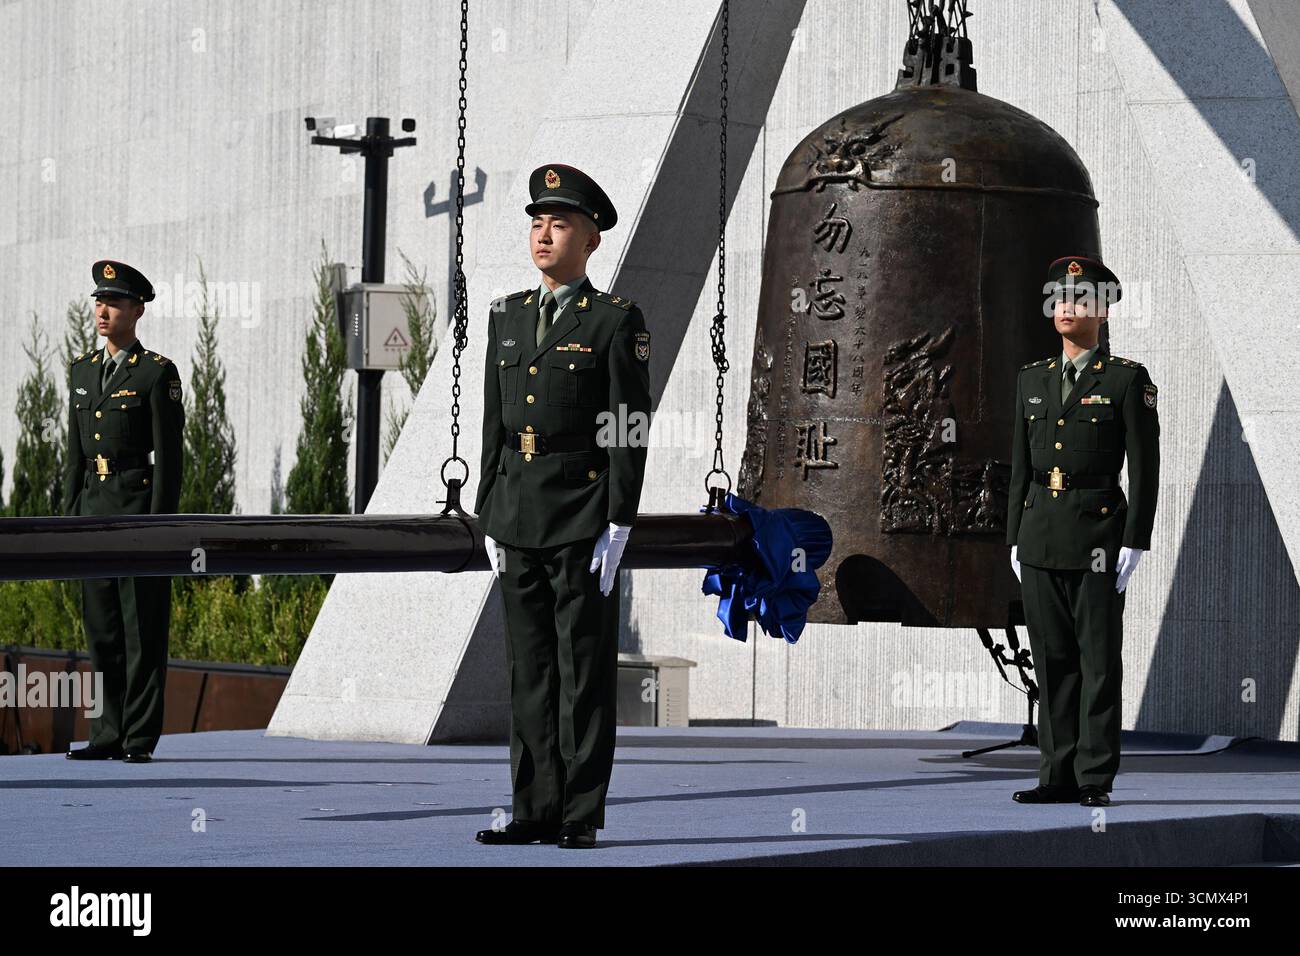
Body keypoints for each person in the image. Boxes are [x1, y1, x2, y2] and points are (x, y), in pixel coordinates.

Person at [473, 165, 652, 848]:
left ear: (591, 240)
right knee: (529, 670)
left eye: (560, 224)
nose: (544, 234)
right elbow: (493, 419)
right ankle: (532, 807)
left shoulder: (613, 321)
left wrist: (618, 520)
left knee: (582, 670)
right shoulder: (507, 316)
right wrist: (489, 504)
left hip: (580, 513)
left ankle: (579, 811)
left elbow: (627, 426)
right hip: (516, 512)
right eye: (538, 223)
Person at [1005, 255, 1159, 808]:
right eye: (1061, 299)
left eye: (1082, 299)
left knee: (1097, 660)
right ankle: (1057, 775)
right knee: (1052, 661)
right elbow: (1020, 466)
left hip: (1098, 539)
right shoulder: (1032, 380)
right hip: (1041, 535)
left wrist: (1135, 539)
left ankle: (1094, 777)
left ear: (1103, 309)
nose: (1069, 307)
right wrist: (1014, 537)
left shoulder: (1125, 381)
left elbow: (1144, 466)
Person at [64, 260, 185, 764]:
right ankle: (106, 733)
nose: (103, 310)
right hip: (93, 512)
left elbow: (171, 458)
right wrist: (68, 520)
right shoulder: (81, 370)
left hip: (138, 511)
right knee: (103, 629)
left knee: (142, 631)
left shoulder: (157, 372)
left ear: (137, 310)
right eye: (98, 301)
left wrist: (159, 527)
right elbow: (73, 455)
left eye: (113, 302)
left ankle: (137, 739)